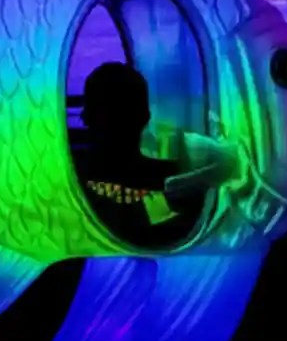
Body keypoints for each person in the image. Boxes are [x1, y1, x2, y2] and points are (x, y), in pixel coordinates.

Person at [75, 61, 231, 241]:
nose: (112, 124)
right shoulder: (181, 181)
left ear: (86, 117)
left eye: (119, 113)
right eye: (109, 112)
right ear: (145, 117)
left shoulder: (72, 177)